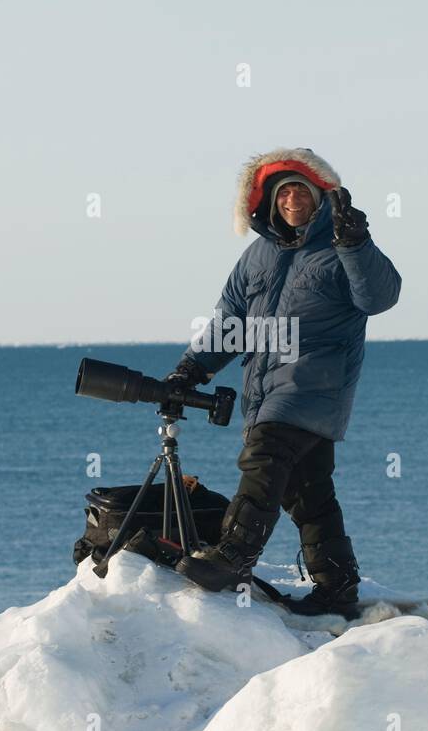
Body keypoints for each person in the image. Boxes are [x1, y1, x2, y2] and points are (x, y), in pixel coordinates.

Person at [164, 147, 401, 615]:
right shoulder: (256, 256)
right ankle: (338, 587)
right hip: (265, 391)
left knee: (264, 458)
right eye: (284, 191)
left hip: (315, 383)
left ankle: (233, 555)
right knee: (307, 494)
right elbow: (230, 321)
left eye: (302, 190)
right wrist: (192, 369)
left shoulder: (342, 247)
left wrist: (355, 242)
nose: (293, 197)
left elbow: (378, 297)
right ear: (271, 202)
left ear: (319, 197)